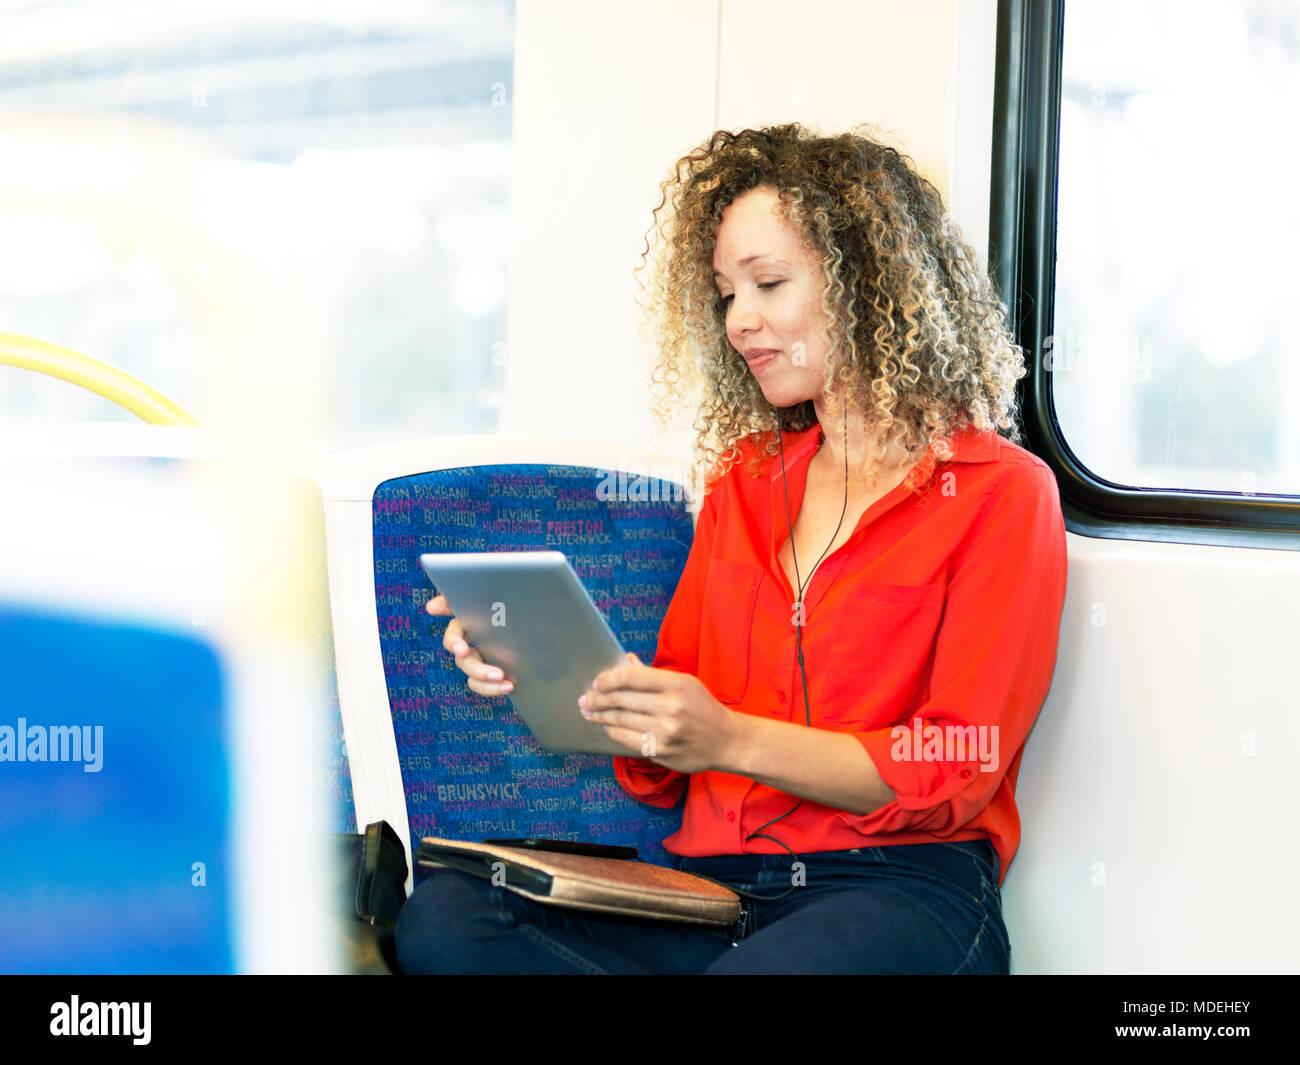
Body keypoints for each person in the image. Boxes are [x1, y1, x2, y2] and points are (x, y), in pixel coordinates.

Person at [396, 123, 1068, 974]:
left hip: (895, 887)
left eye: (769, 283)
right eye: (725, 294)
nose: (740, 321)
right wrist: (550, 668)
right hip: (712, 890)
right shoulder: (745, 480)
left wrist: (729, 739)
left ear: (868, 283)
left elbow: (955, 761)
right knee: (450, 918)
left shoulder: (999, 490)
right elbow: (663, 757)